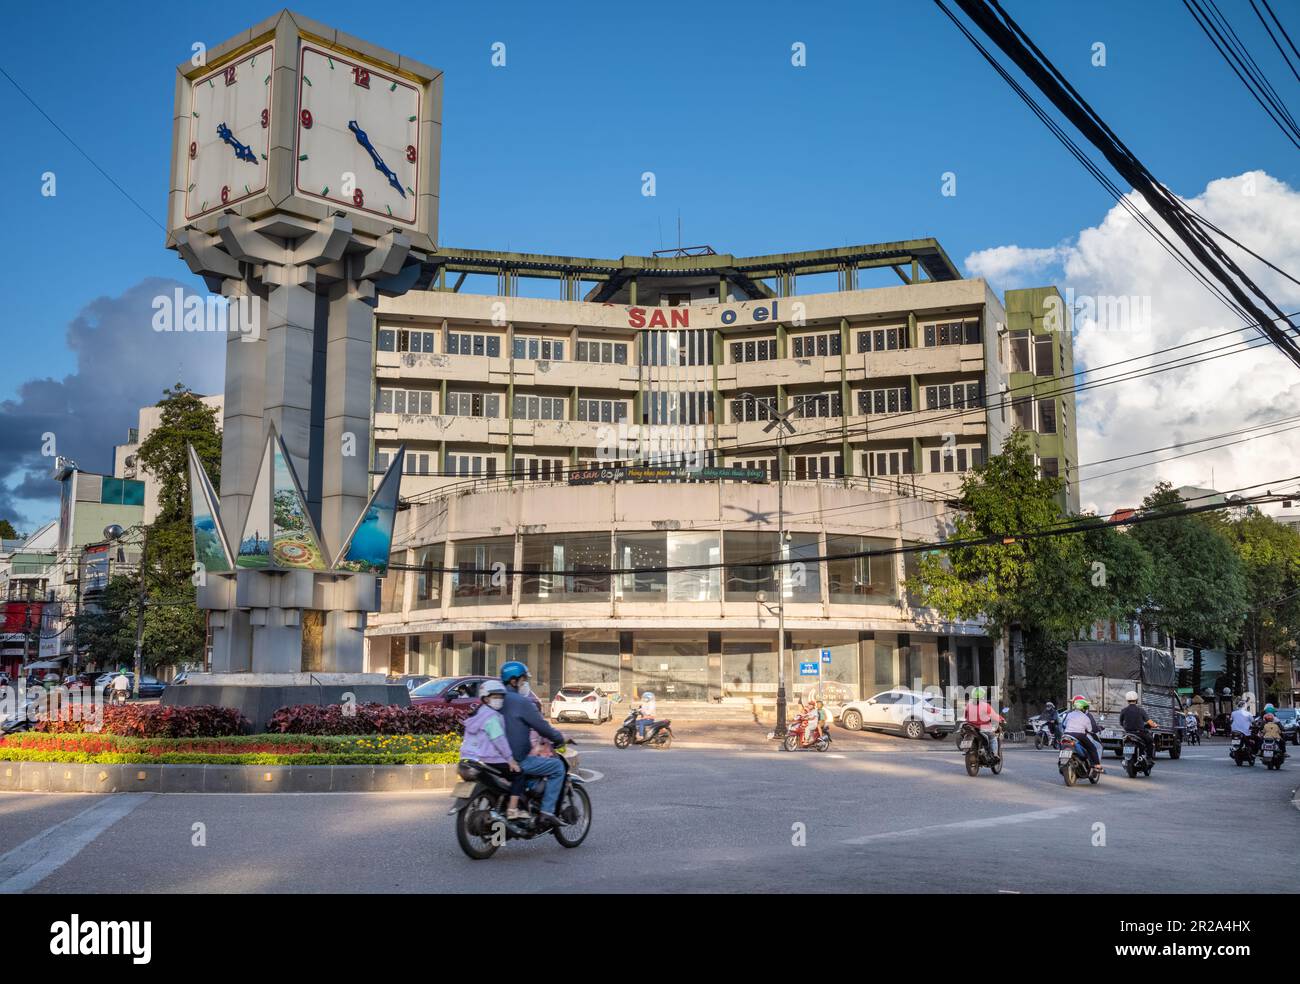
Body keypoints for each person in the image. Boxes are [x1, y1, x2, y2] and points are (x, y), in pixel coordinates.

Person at [499, 661, 569, 826]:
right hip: (518, 759)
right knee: (558, 768)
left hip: (495, 759)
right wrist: (558, 738)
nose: (525, 684)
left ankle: (504, 830)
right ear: (514, 681)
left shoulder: (496, 698)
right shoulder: (521, 702)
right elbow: (542, 727)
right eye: (523, 680)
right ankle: (546, 812)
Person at [458, 680, 521, 815]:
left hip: (467, 760)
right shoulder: (491, 716)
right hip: (489, 759)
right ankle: (512, 809)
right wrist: (510, 760)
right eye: (495, 697)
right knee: (519, 775)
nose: (499, 700)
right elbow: (499, 740)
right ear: (486, 698)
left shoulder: (477, 714)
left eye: (501, 697)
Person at [1062, 697, 1103, 774]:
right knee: (1092, 748)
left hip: (1066, 734)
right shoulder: (1086, 717)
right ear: (1083, 708)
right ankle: (1097, 765)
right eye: (1085, 708)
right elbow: (1090, 730)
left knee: (1062, 745)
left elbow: (1064, 724)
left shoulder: (1069, 714)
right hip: (1079, 735)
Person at [964, 687, 1005, 755]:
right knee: (993, 737)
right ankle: (994, 754)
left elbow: (965, 716)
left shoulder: (968, 705)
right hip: (983, 727)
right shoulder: (986, 706)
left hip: (971, 727)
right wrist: (1001, 719)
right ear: (982, 695)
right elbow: (994, 716)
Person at [1118, 690, 1155, 761]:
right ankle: (1149, 758)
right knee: (1150, 741)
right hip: (1139, 733)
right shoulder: (1141, 710)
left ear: (1127, 700)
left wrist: (1126, 728)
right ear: (1136, 700)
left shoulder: (1124, 710)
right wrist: (1154, 725)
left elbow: (1121, 722)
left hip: (1128, 733)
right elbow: (1150, 722)